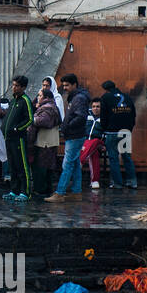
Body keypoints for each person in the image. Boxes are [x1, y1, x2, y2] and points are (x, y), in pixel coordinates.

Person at [47, 73, 91, 203]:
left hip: (74, 135)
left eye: (67, 85)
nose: (64, 88)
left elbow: (80, 116)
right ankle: (76, 192)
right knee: (75, 163)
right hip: (76, 135)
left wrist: (67, 127)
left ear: (74, 85)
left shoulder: (79, 98)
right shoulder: (77, 97)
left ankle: (60, 193)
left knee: (67, 164)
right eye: (63, 85)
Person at [99, 80, 138, 189]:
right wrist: (130, 128)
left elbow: (103, 116)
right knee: (126, 157)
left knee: (113, 158)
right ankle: (132, 181)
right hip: (125, 132)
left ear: (106, 89)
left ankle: (117, 183)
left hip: (112, 132)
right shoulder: (127, 97)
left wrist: (104, 129)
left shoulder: (105, 98)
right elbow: (133, 114)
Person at [1, 76, 35, 202]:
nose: (13, 88)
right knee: (12, 166)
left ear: (23, 87)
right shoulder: (13, 100)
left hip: (19, 139)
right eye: (13, 85)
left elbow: (30, 119)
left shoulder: (25, 100)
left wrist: (17, 129)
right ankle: (14, 191)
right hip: (8, 139)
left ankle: (25, 192)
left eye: (16, 86)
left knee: (22, 166)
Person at [30, 86, 63, 196]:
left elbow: (43, 121)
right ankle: (45, 188)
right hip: (48, 141)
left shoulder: (47, 108)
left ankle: (41, 189)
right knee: (47, 167)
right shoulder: (50, 106)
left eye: (40, 95)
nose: (38, 97)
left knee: (42, 167)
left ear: (46, 97)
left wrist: (30, 119)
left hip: (44, 142)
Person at [80, 99, 107, 189]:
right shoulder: (87, 116)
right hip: (85, 143)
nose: (96, 109)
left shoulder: (104, 118)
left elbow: (106, 133)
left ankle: (80, 161)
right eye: (94, 107)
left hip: (98, 143)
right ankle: (94, 181)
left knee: (95, 141)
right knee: (94, 154)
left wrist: (105, 145)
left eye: (98, 107)